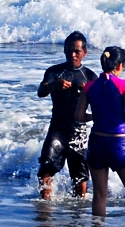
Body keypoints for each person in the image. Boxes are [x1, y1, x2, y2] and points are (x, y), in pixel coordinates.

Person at [76, 46, 125, 221]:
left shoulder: (89, 86)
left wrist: (97, 115)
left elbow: (79, 116)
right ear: (119, 66)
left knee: (100, 194)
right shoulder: (124, 85)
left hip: (97, 143)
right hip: (118, 144)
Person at [37, 31, 97, 199]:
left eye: (77, 51)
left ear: (84, 53)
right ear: (64, 50)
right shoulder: (54, 72)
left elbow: (98, 107)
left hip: (79, 131)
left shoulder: (90, 76)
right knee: (45, 169)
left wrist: (88, 93)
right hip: (57, 128)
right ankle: (45, 209)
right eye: (69, 50)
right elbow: (41, 92)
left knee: (79, 176)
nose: (72, 54)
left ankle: (77, 213)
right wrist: (54, 85)